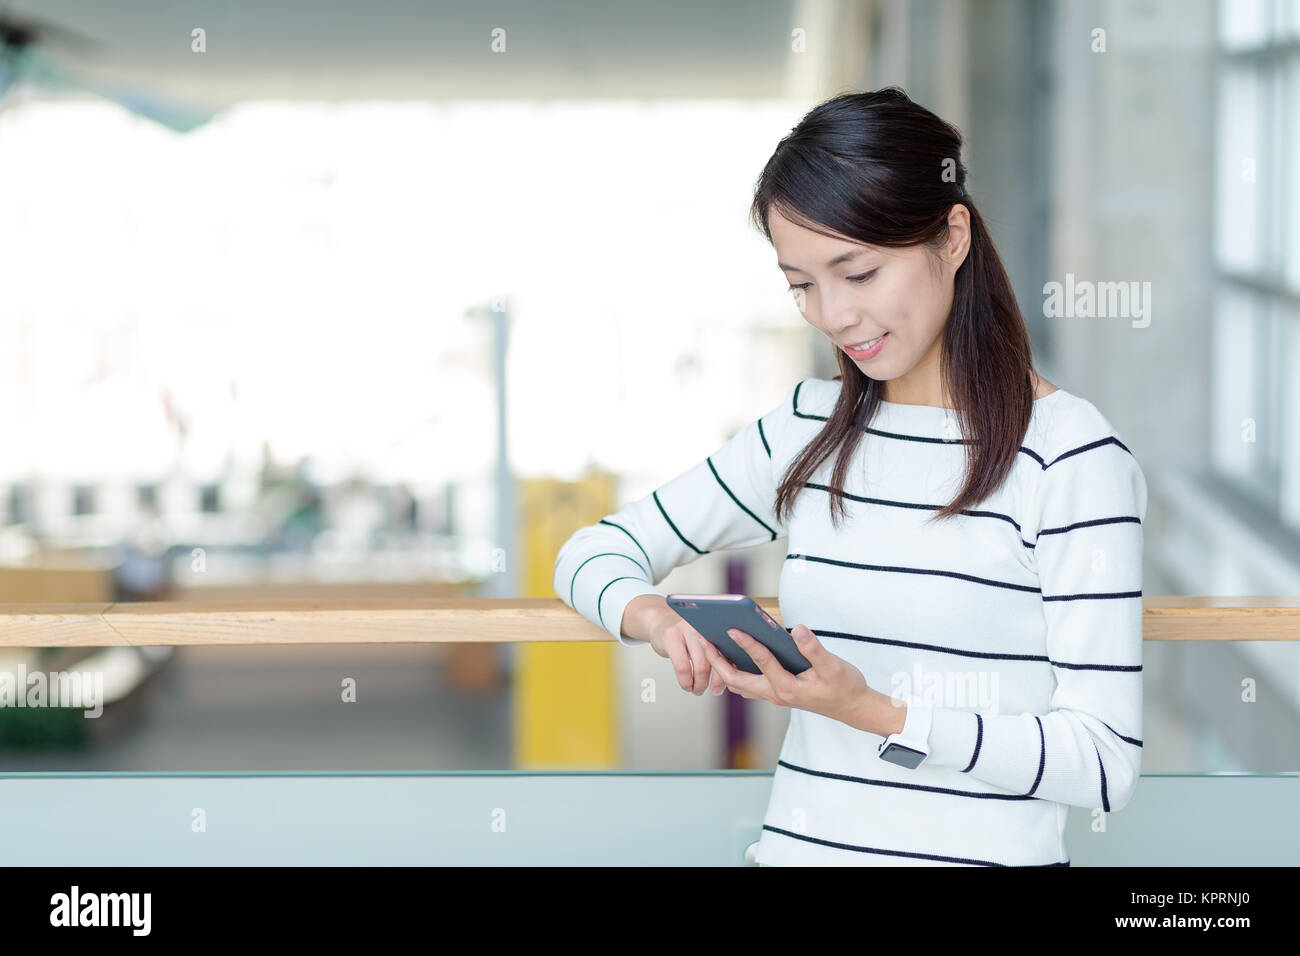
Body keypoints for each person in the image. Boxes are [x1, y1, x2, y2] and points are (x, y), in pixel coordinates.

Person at [553, 87, 1146, 867]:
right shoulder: (807, 428)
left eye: (858, 273)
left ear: (953, 235)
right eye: (801, 284)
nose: (832, 315)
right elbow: (592, 552)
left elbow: (1103, 763)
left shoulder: (1068, 456)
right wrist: (656, 620)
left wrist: (876, 712)